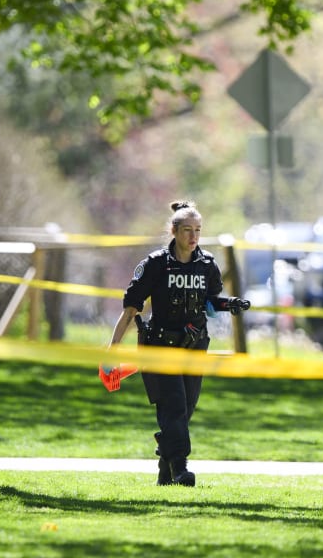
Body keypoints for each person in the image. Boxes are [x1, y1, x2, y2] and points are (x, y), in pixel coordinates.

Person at [106, 200, 250, 486]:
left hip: (195, 347)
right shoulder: (155, 265)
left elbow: (208, 300)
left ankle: (165, 470)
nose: (193, 237)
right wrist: (111, 351)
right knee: (174, 407)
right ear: (173, 231)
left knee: (187, 408)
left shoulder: (206, 264)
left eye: (198, 230)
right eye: (187, 230)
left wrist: (229, 304)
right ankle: (181, 468)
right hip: (161, 349)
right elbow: (131, 311)